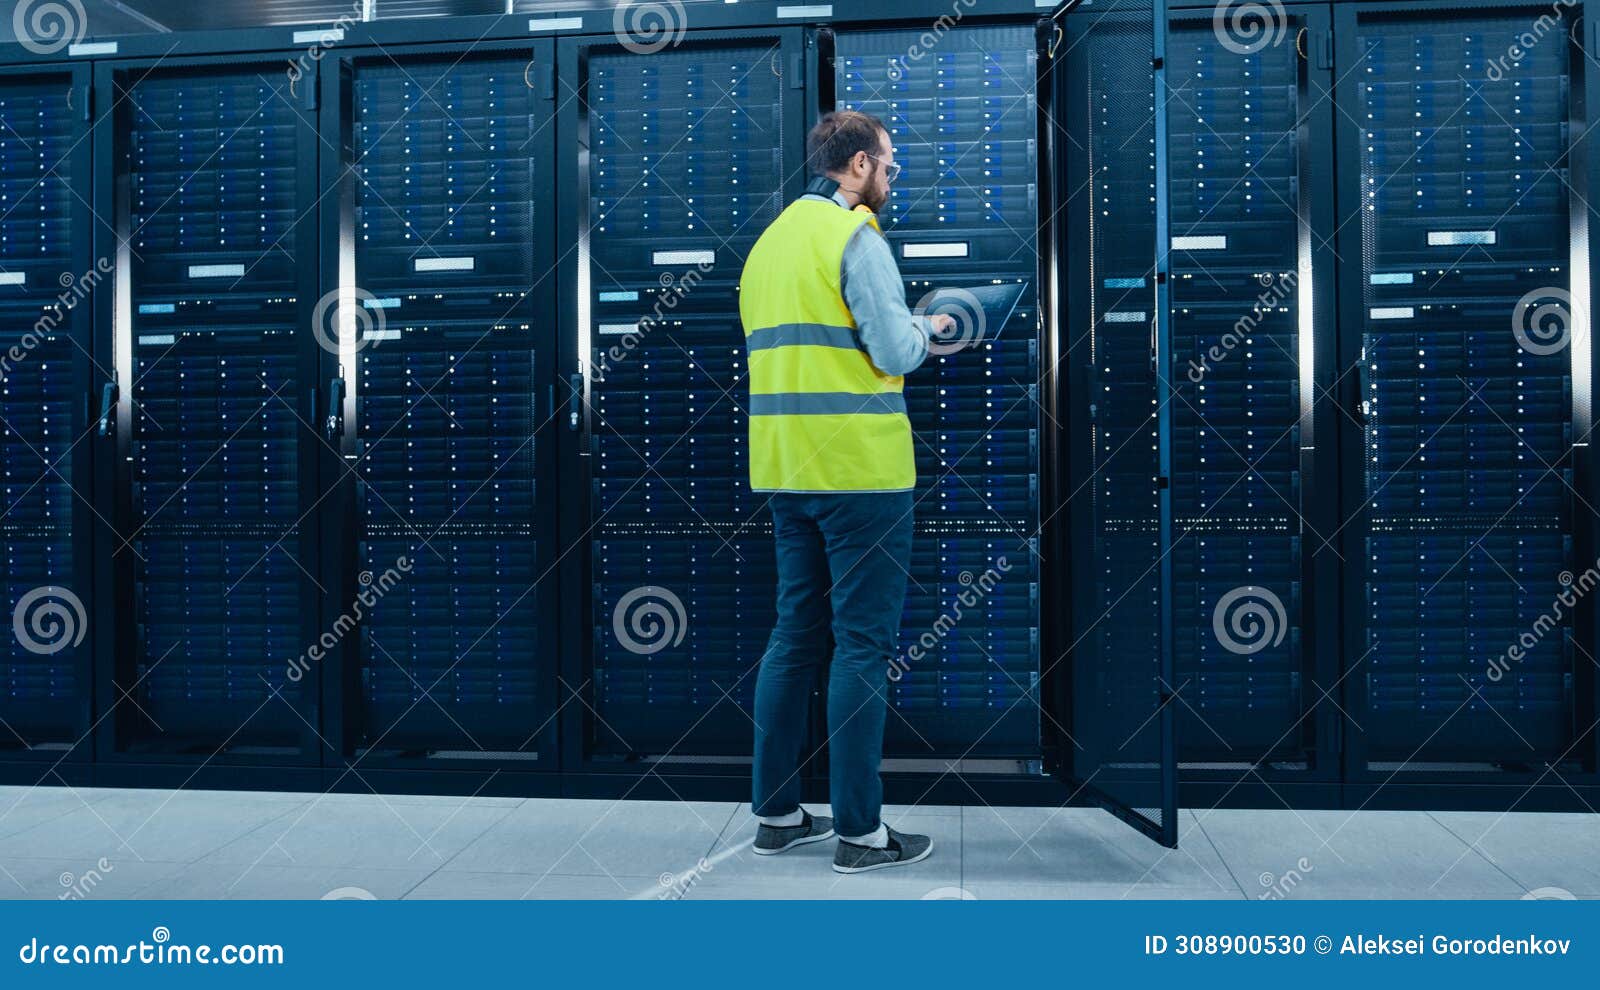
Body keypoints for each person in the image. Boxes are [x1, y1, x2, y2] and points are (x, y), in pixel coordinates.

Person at [738, 110, 955, 874]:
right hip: (860, 472)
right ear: (858, 164)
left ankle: (776, 816)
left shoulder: (768, 245)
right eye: (888, 164)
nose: (891, 177)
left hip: (785, 469)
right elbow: (892, 349)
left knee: (794, 636)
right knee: (862, 646)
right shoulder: (854, 237)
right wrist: (932, 327)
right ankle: (861, 835)